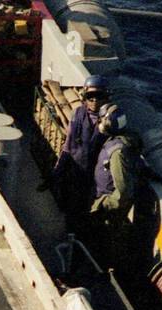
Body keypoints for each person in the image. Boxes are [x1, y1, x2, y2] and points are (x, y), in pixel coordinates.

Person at [51, 74, 110, 233]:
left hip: (96, 177)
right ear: (84, 96)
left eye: (99, 96)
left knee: (91, 212)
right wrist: (59, 169)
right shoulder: (78, 114)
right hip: (76, 170)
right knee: (72, 207)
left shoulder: (111, 119)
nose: (94, 100)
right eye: (90, 96)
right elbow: (68, 145)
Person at [89, 103, 144, 266]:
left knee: (105, 244)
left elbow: (123, 192)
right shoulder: (126, 140)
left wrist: (102, 205)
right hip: (109, 207)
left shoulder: (117, 152)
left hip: (109, 211)